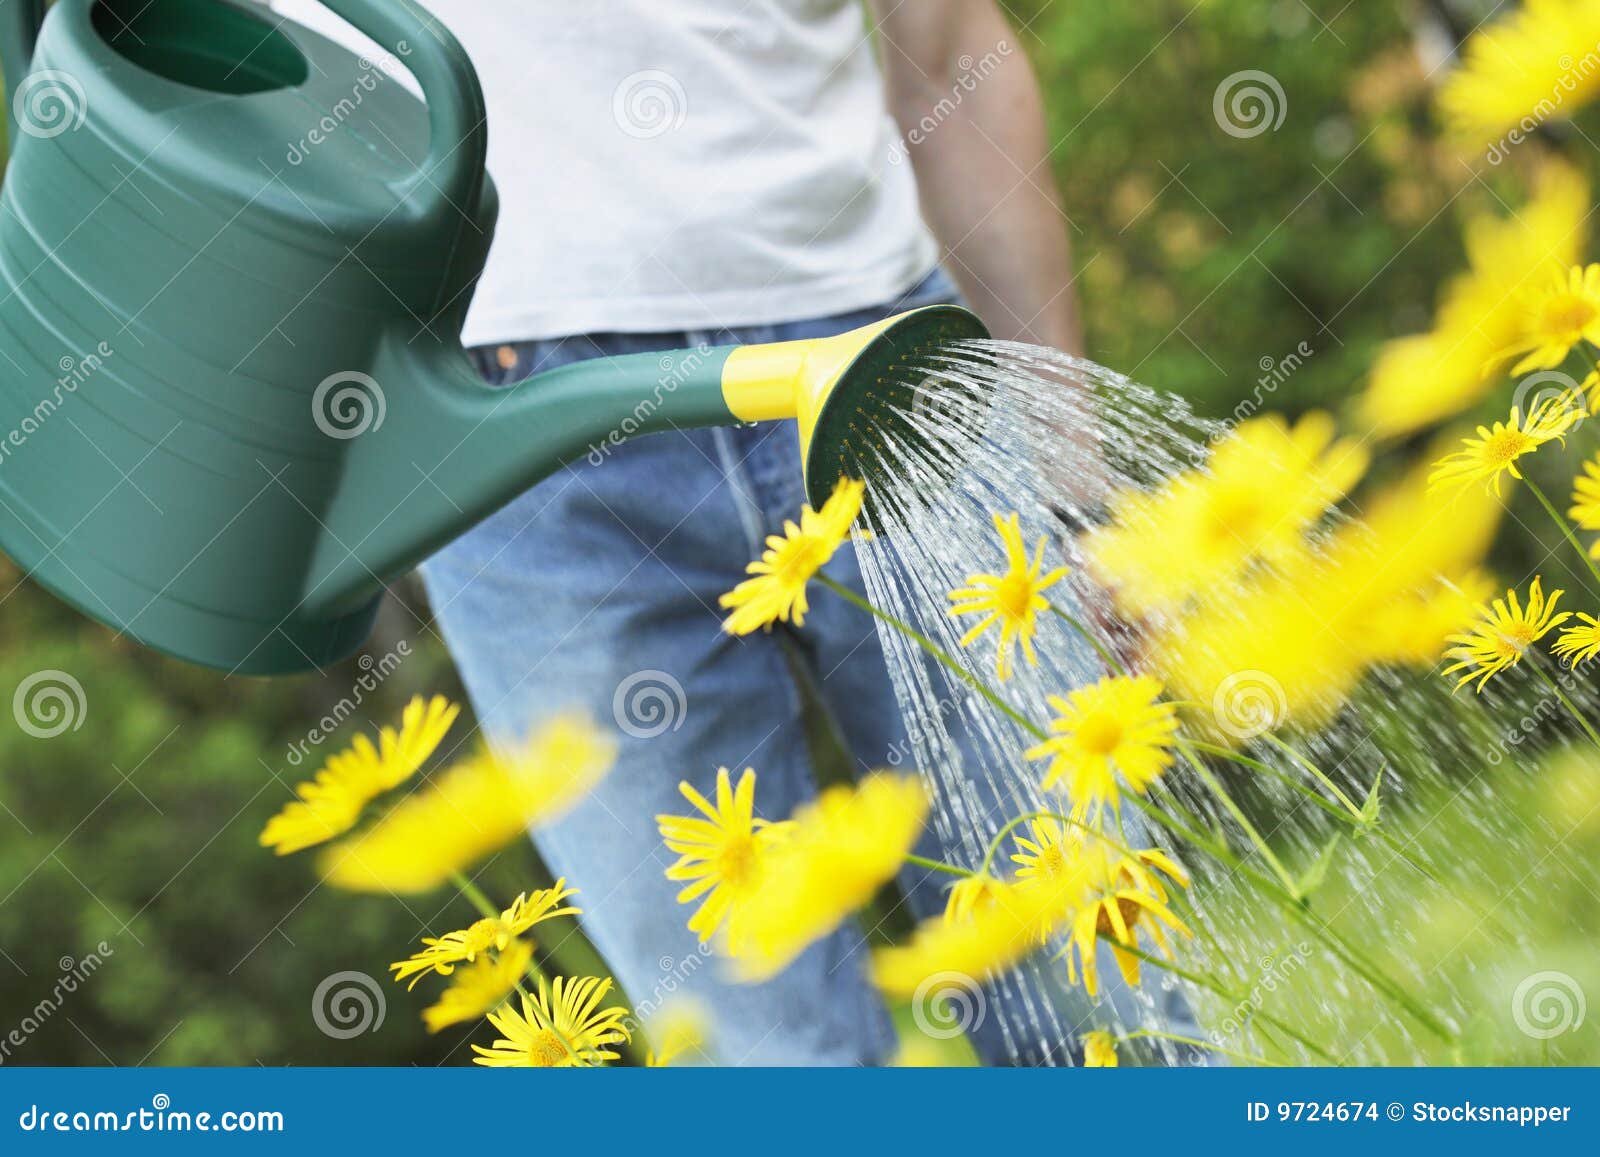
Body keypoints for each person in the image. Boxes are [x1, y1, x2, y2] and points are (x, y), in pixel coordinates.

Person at [271, 0, 1083, 1065]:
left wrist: (1075, 483)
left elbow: (946, 58)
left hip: (876, 354)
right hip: (506, 448)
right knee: (763, 1059)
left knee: (1090, 974)